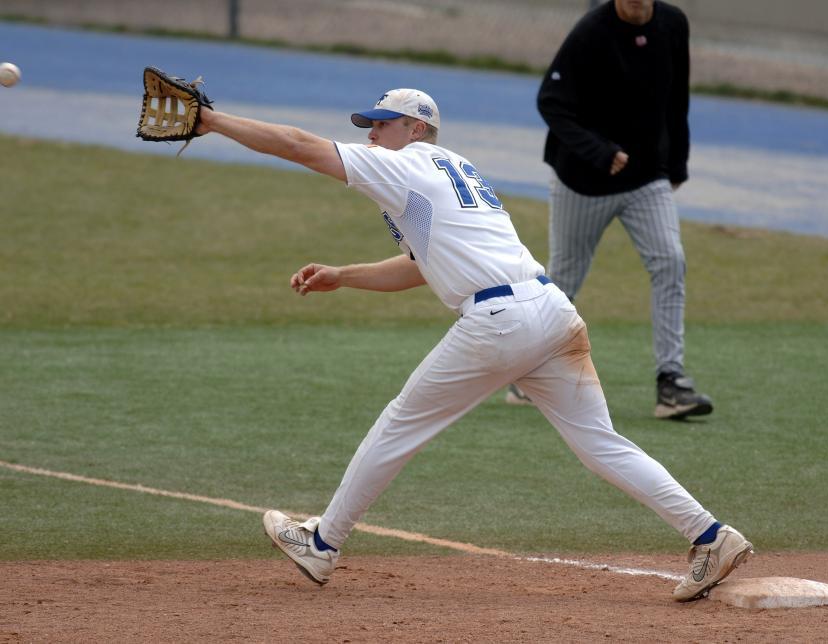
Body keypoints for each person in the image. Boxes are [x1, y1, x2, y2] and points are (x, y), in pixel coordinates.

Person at [195, 87, 752, 601]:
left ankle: (321, 545)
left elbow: (299, 145)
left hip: (500, 322)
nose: (370, 135)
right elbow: (420, 267)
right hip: (552, 314)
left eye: (381, 124)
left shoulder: (407, 163)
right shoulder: (454, 168)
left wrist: (213, 121)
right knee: (601, 444)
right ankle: (710, 535)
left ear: (415, 129)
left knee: (400, 424)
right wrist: (344, 274)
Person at [506, 0, 712, 421]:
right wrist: (600, 152)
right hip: (582, 180)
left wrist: (677, 163)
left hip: (646, 178)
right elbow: (551, 101)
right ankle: (527, 368)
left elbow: (677, 97)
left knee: (670, 261)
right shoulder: (590, 32)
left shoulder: (673, 24)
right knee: (563, 280)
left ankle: (671, 381)